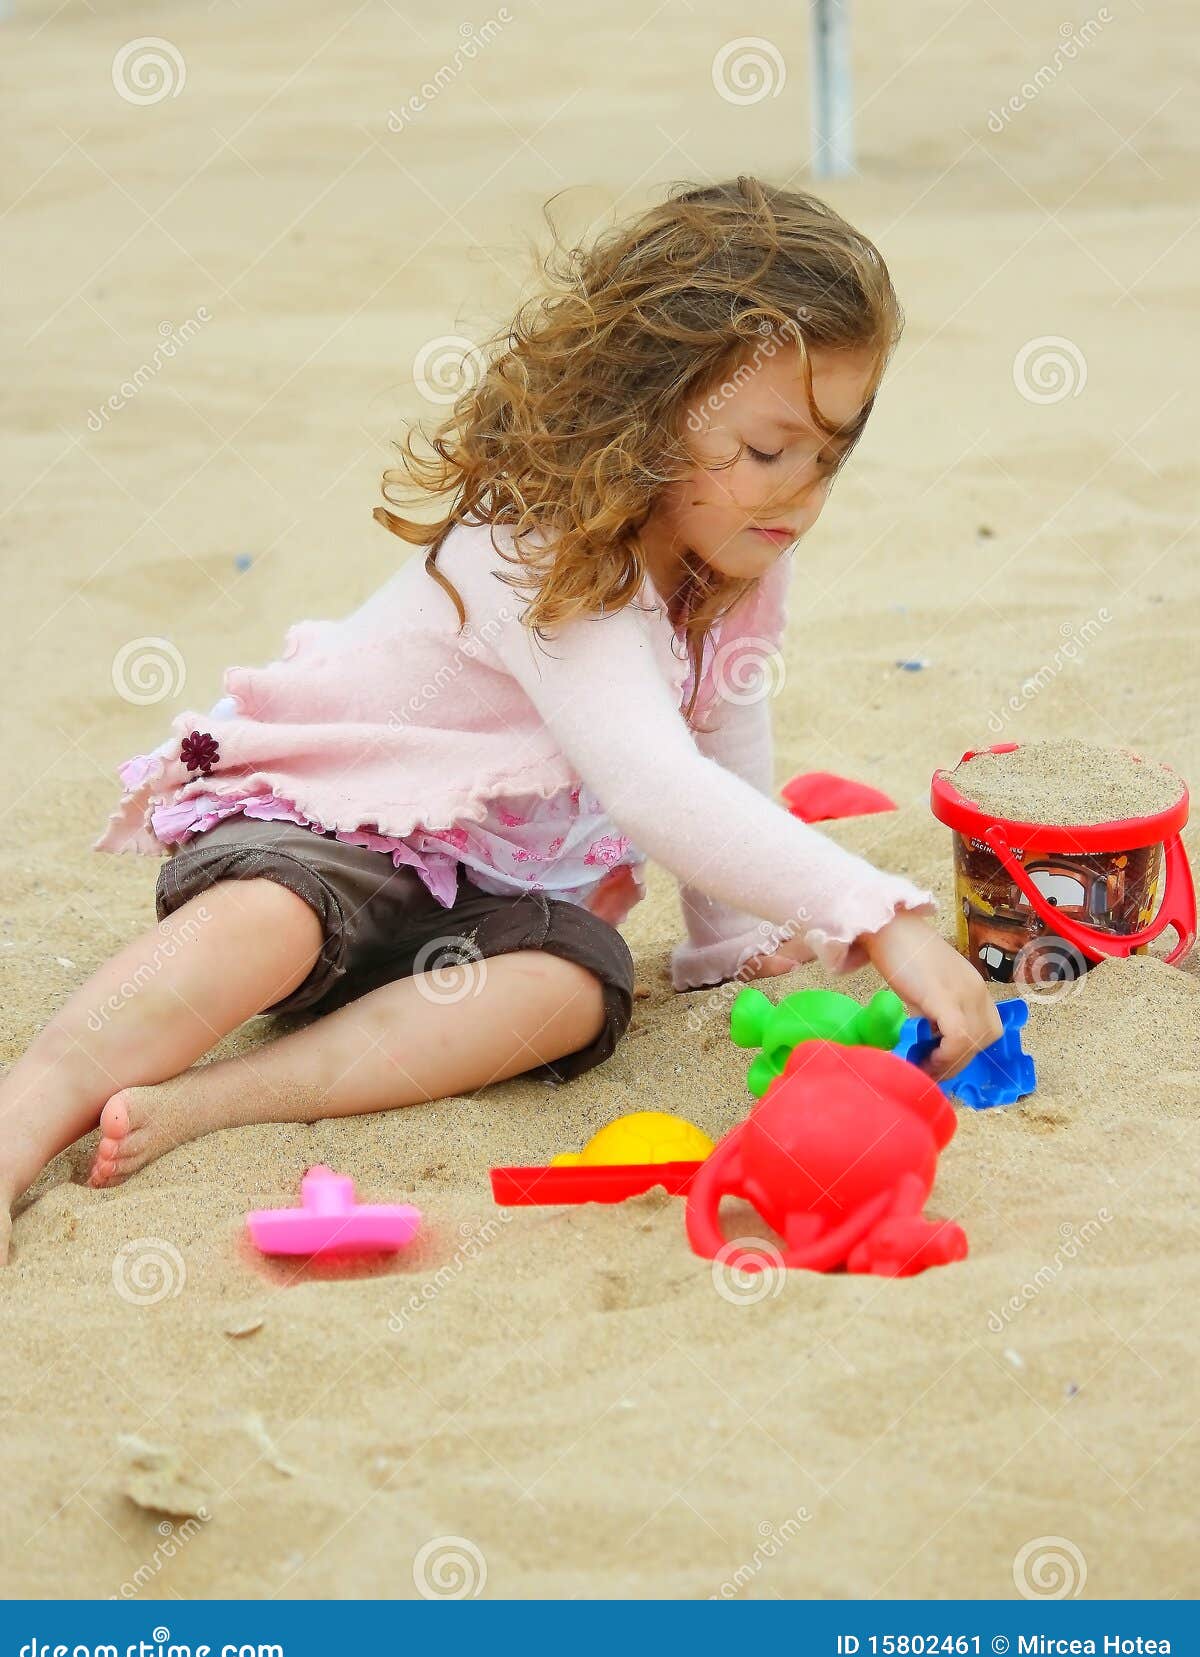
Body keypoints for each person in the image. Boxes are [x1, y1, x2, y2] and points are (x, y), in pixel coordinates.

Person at [0, 177, 999, 1261]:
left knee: (573, 990)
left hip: (482, 900)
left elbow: (724, 722)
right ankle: (27, 1115)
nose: (799, 495)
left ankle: (220, 1098)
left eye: (831, 454)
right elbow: (658, 786)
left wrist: (730, 940)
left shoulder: (740, 552)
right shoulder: (544, 547)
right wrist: (878, 914)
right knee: (276, 919)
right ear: (647, 409)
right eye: (767, 451)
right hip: (327, 830)